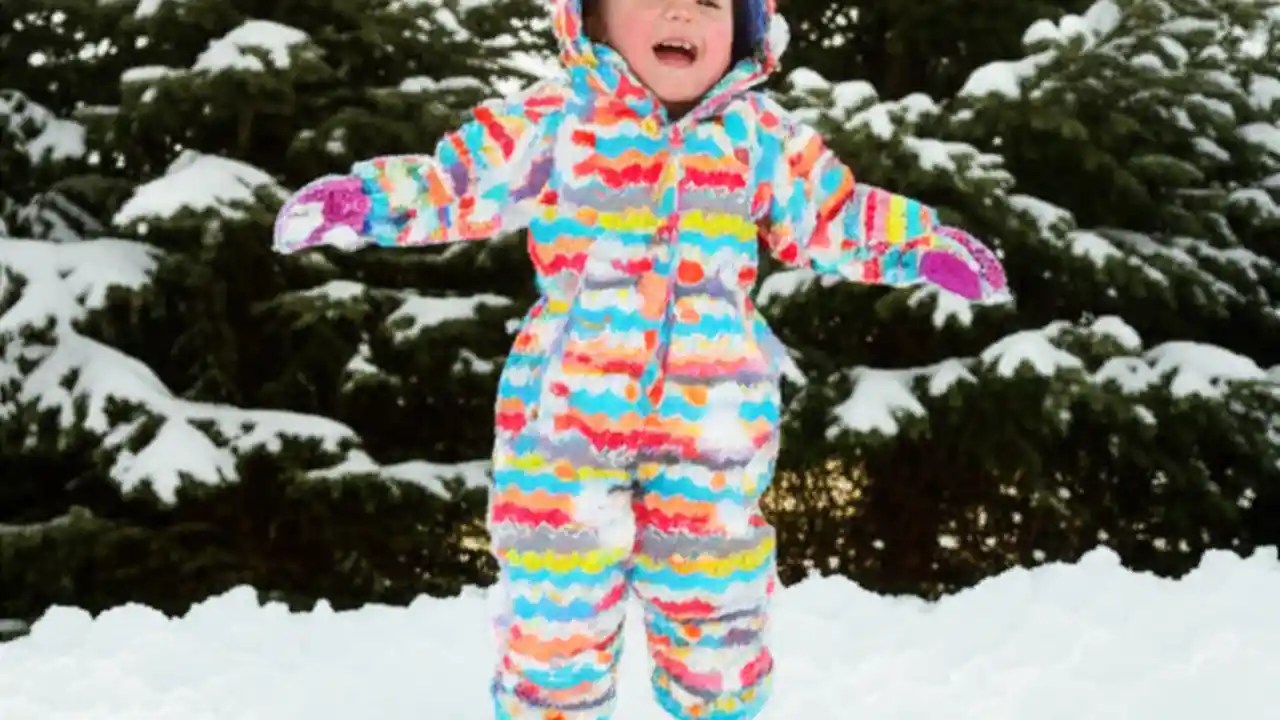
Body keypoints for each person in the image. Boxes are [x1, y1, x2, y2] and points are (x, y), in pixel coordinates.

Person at [271, 0, 1011, 716]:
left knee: (718, 612)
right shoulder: (557, 122)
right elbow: (453, 182)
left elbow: (834, 212)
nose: (683, 13)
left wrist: (919, 244)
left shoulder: (760, 138)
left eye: (712, 3)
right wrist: (361, 201)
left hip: (712, 436)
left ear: (748, 29)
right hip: (563, 431)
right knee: (554, 623)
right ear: (588, 14)